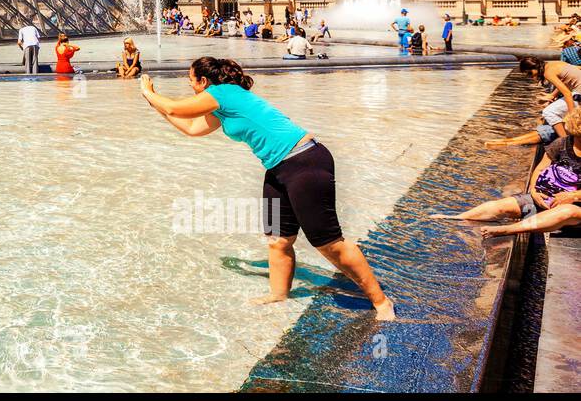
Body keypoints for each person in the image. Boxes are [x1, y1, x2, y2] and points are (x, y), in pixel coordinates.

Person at [139, 57, 395, 320]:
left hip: (304, 161)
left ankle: (381, 302)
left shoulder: (221, 93)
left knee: (329, 243)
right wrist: (155, 103)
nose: (190, 85)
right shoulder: (222, 105)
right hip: (278, 168)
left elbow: (176, 108)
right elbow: (192, 128)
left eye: (191, 80)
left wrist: (149, 93)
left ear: (203, 81)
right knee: (277, 238)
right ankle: (279, 294)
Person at [437, 107, 581, 239]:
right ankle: (457, 217)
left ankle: (508, 229)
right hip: (549, 197)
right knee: (499, 207)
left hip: (575, 208)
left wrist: (572, 196)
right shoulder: (562, 143)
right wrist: (534, 191)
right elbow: (540, 169)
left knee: (567, 212)